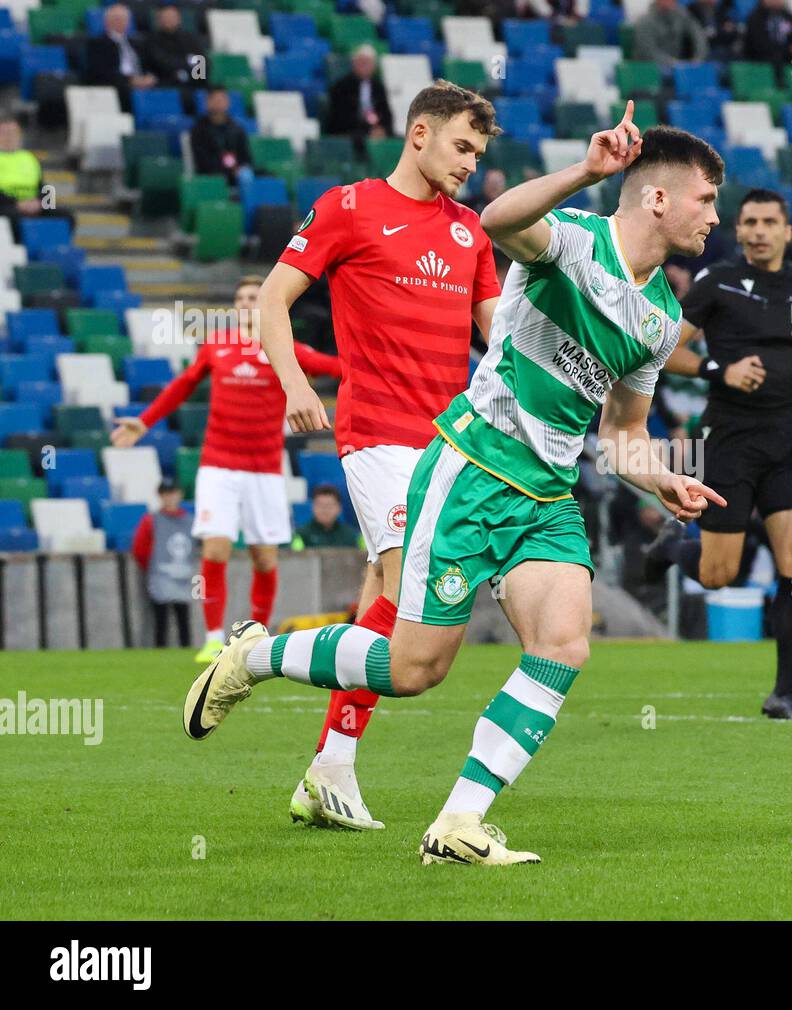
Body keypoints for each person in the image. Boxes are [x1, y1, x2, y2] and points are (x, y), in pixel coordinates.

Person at [182, 108, 729, 867]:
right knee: (415, 669)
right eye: (706, 200)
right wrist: (584, 169)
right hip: (473, 470)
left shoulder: (662, 321)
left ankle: (460, 822)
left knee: (565, 643)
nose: (715, 217)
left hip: (545, 498)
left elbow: (622, 436)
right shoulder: (573, 237)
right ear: (659, 198)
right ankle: (255, 658)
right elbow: (498, 220)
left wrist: (657, 475)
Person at [256, 81, 504, 832]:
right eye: (461, 146)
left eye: (480, 154)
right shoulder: (349, 207)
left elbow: (501, 341)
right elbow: (270, 300)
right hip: (378, 435)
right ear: (418, 132)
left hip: (449, 447)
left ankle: (330, 771)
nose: (470, 164)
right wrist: (297, 383)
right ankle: (257, 657)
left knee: (384, 603)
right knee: (411, 605)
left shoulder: (472, 233)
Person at [645, 188, 792, 721]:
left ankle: (787, 692)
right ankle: (673, 549)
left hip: (787, 437)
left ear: (787, 231)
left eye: (769, 222)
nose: (759, 231)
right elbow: (667, 348)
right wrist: (723, 370)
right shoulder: (716, 282)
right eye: (750, 223)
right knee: (720, 573)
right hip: (730, 438)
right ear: (737, 231)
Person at [110, 277, 341, 663]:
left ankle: (256, 638)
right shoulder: (217, 346)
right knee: (214, 549)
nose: (247, 303)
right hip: (218, 465)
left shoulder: (286, 349)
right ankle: (214, 637)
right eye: (241, 298)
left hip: (265, 470)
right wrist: (144, 421)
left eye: (255, 297)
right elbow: (183, 386)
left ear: (268, 303)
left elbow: (337, 367)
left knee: (264, 558)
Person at [131, 479, 196, 648]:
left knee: (183, 617)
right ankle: (161, 650)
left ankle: (185, 648)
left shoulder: (190, 521)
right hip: (161, 576)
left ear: (179, 494)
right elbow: (140, 548)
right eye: (166, 494)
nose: (170, 497)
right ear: (161, 496)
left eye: (173, 493)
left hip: (184, 576)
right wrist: (152, 569)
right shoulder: (151, 520)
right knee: (161, 619)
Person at [326, 44, 394, 157]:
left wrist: (382, 129)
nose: (364, 66)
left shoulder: (378, 87)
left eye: (368, 63)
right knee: (359, 139)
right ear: (354, 64)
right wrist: (368, 131)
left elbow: (386, 113)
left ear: (374, 66)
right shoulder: (341, 87)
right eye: (361, 63)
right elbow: (340, 118)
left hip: (374, 130)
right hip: (349, 131)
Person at [85, 4, 156, 110]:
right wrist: (130, 80)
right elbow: (100, 72)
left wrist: (149, 77)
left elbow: (148, 63)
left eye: (124, 19)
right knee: (127, 93)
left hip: (140, 82)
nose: (121, 22)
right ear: (106, 22)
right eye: (116, 19)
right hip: (118, 85)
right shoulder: (98, 44)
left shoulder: (136, 43)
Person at [189, 87, 252, 186]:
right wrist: (229, 171)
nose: (219, 103)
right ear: (207, 102)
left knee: (258, 175)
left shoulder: (237, 129)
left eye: (222, 99)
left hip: (237, 174)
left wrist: (240, 169)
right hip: (213, 176)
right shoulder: (199, 130)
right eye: (215, 99)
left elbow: (245, 157)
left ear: (228, 102)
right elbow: (203, 162)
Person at [141, 4, 205, 94]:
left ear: (179, 19)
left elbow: (202, 61)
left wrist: (194, 77)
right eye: (165, 17)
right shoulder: (151, 40)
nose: (169, 20)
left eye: (172, 17)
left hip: (193, 83)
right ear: (159, 20)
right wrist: (188, 62)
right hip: (165, 84)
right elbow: (163, 63)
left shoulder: (190, 38)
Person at [634, 0, 709, 64]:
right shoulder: (645, 22)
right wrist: (673, 63)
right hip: (650, 68)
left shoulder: (682, 16)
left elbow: (698, 36)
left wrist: (698, 59)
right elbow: (647, 52)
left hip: (676, 67)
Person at [742, 0, 792, 66]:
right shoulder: (755, 19)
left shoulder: (789, 17)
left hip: (787, 62)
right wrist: (789, 50)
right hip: (760, 64)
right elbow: (759, 47)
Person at [294, 484, 360, 549]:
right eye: (320, 505)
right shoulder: (301, 535)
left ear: (339, 508)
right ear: (313, 507)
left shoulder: (350, 535)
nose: (325, 510)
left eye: (329, 505)